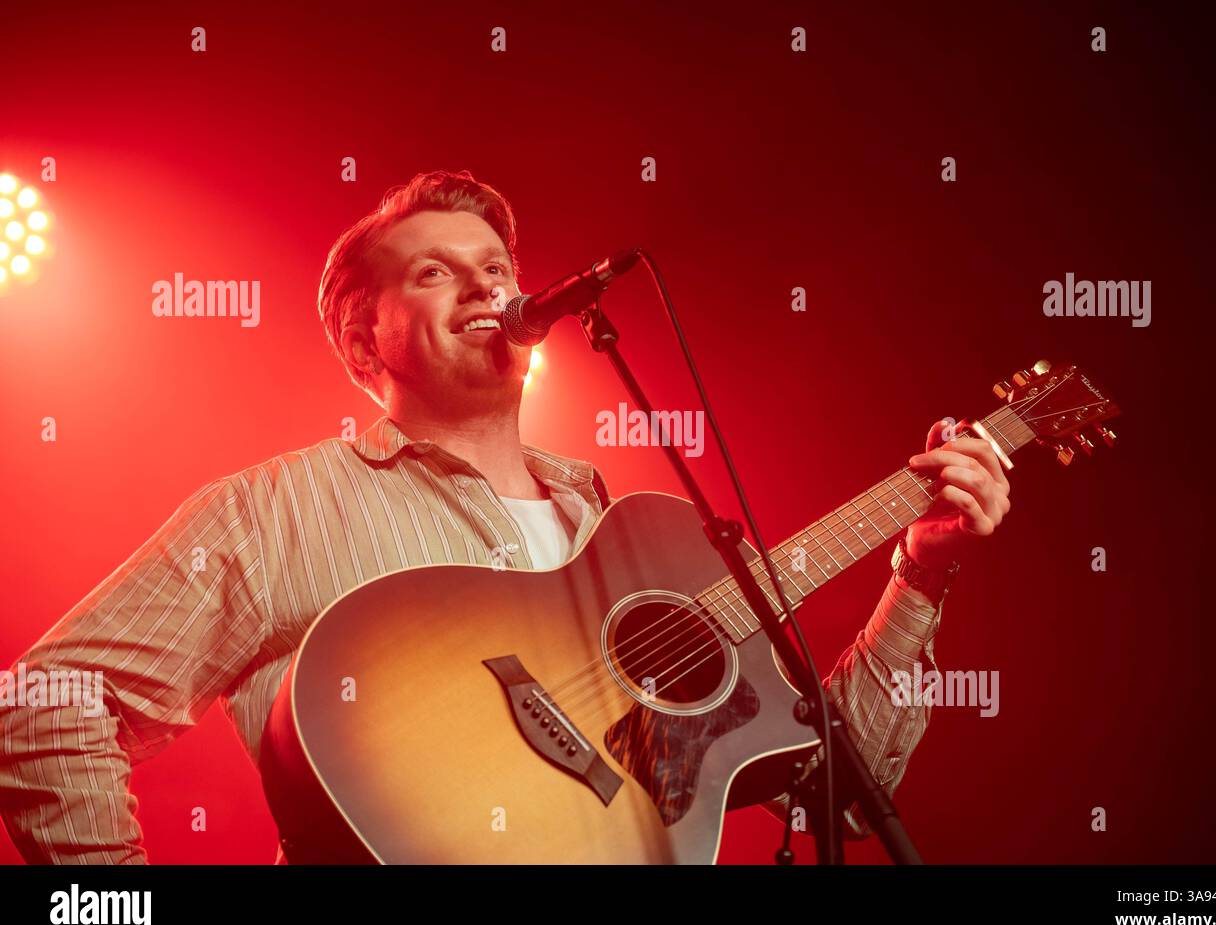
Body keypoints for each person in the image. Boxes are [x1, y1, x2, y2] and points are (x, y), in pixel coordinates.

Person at [0, 170, 1010, 864]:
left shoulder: (626, 529)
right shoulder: (279, 511)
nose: (486, 281)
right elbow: (47, 703)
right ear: (363, 342)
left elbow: (844, 788)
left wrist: (920, 570)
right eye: (434, 270)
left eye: (496, 265)